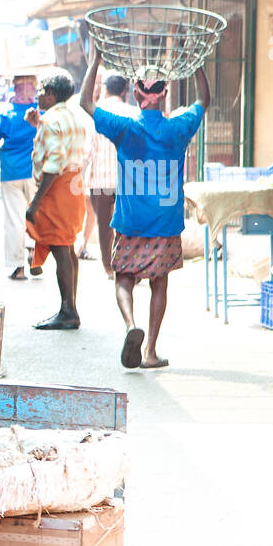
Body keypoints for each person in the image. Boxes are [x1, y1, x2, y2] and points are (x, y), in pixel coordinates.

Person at [80, 46, 208, 369]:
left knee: (124, 277)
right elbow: (204, 100)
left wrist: (96, 60)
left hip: (130, 221)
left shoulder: (125, 127)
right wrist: (197, 64)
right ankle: (150, 350)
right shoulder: (178, 127)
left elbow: (85, 103)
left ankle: (129, 325)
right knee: (159, 281)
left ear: (136, 94)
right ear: (164, 94)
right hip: (165, 222)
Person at [25, 71, 91, 330]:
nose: (38, 95)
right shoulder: (72, 116)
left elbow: (53, 162)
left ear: (50, 93)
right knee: (67, 246)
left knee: (60, 247)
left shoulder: (51, 120)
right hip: (73, 186)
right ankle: (69, 307)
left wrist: (36, 201)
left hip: (56, 187)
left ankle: (68, 310)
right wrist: (38, 125)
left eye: (41, 90)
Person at [82, 73, 137, 278]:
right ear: (124, 91)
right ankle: (129, 263)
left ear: (105, 89)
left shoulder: (96, 113)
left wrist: (81, 177)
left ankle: (109, 267)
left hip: (101, 180)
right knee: (128, 223)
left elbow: (87, 151)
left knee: (104, 226)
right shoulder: (133, 113)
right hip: (128, 180)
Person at [0, 75, 39, 280]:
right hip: (36, 172)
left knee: (14, 219)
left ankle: (19, 267)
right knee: (35, 214)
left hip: (11, 172)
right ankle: (34, 252)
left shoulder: (4, 113)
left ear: (14, 88)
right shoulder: (41, 112)